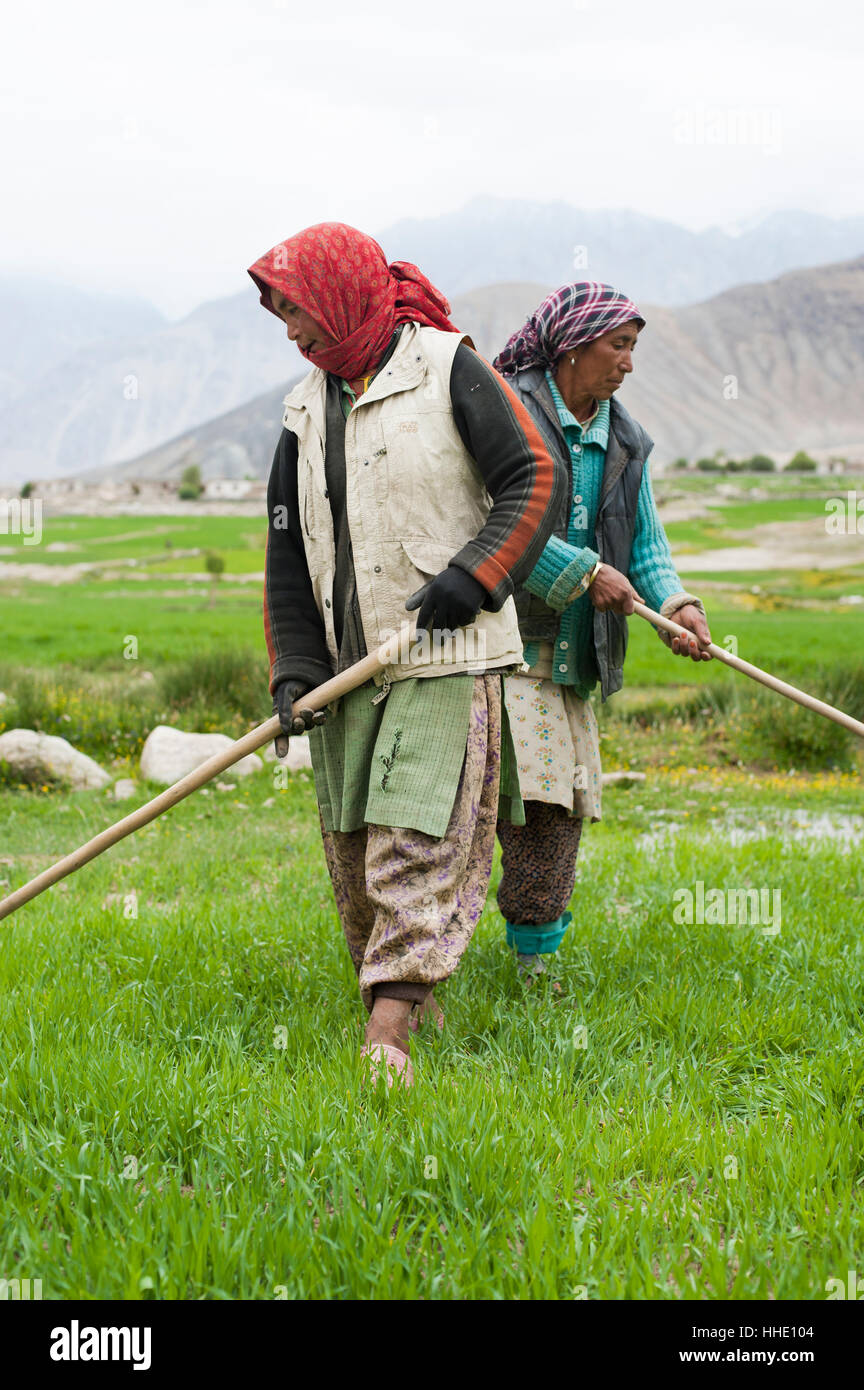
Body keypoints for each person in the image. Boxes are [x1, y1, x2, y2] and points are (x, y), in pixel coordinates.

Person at [248, 222, 566, 1085]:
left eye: (297, 310)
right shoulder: (304, 408)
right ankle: (401, 1003)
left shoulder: (447, 366)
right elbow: (288, 549)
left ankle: (387, 1039)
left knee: (416, 837)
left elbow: (536, 476)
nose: (290, 330)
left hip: (445, 653)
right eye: (281, 314)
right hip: (351, 670)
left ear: (342, 294)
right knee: (353, 855)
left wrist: (477, 573)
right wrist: (295, 672)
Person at [491, 282, 713, 975]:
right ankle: (420, 972)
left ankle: (536, 969)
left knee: (553, 817)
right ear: (573, 347)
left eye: (634, 348)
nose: (628, 363)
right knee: (473, 815)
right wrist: (584, 574)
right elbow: (484, 518)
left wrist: (675, 606)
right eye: (619, 346)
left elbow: (645, 541)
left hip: (569, 661)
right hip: (494, 652)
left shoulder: (624, 436)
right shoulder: (504, 411)